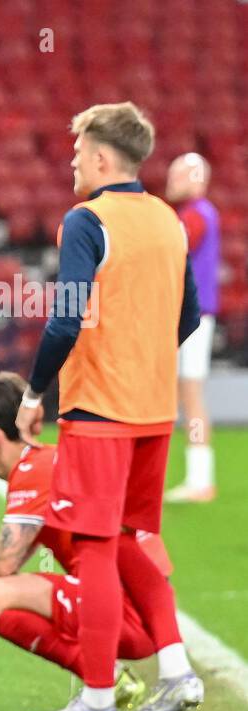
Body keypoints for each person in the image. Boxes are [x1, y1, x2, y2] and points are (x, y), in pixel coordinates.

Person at [14, 102, 204, 711]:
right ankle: (176, 667)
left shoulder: (87, 220)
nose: (71, 163)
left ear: (101, 157)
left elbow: (65, 317)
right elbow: (191, 317)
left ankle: (97, 699)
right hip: (155, 412)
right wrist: (144, 357)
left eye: (77, 153)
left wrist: (34, 391)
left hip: (99, 411)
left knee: (94, 549)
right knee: (132, 541)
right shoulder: (169, 220)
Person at [0, 373, 198, 711]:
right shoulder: (44, 465)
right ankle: (118, 679)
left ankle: (105, 684)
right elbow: (4, 556)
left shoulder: (35, 472)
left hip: (125, 614)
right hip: (144, 608)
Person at [164, 153, 221, 503]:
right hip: (194, 316)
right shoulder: (201, 213)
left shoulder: (195, 216)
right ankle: (199, 475)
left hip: (193, 317)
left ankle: (200, 477)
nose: (170, 180)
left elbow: (172, 250)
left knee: (190, 395)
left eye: (177, 174)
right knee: (187, 395)